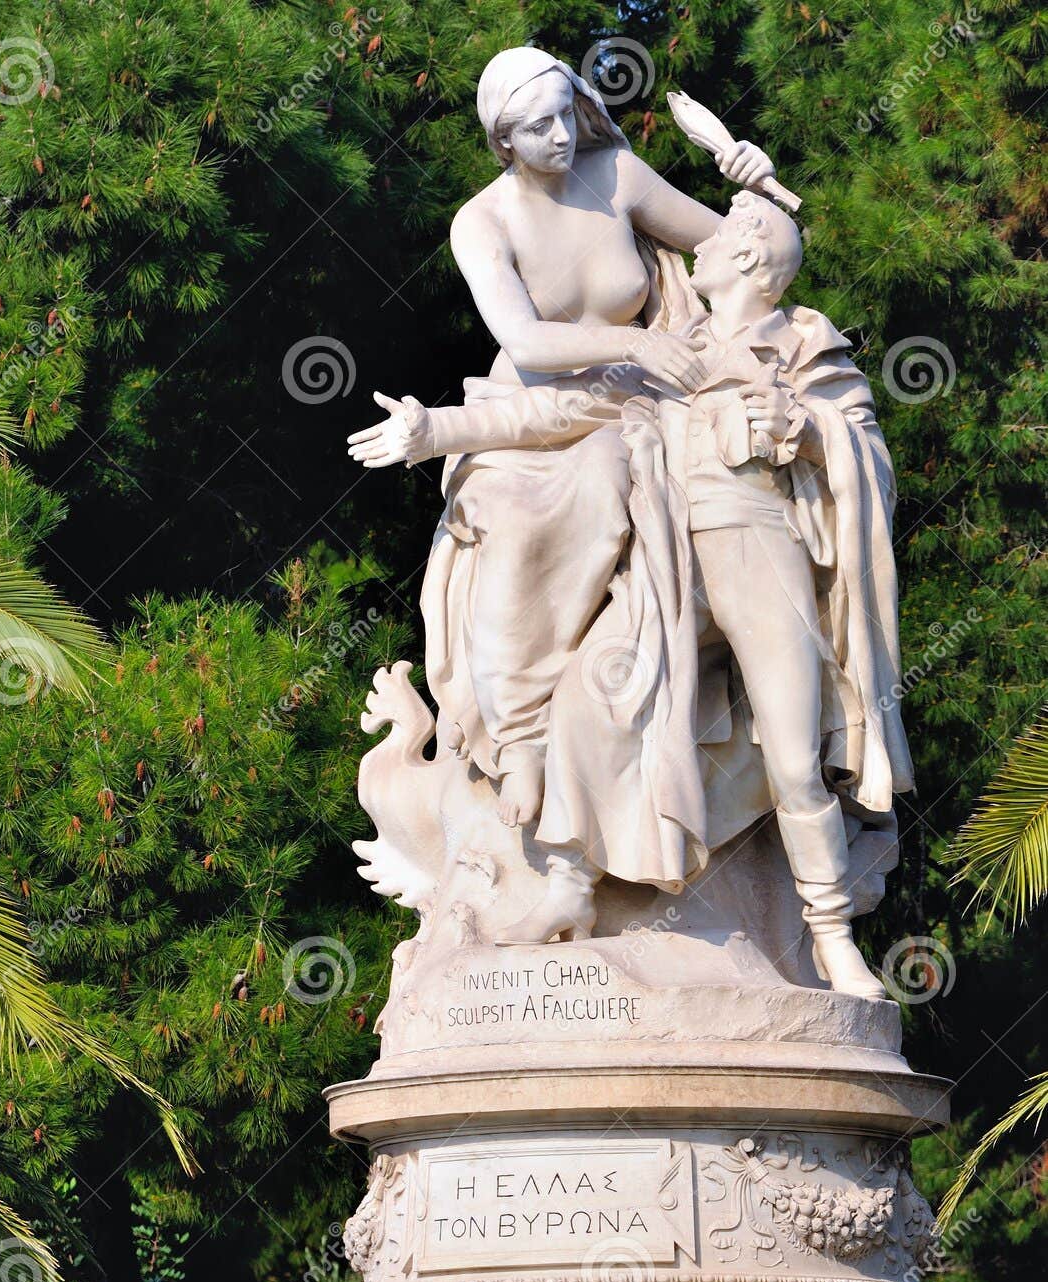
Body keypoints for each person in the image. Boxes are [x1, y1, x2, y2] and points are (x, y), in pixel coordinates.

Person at [353, 194, 914, 1000]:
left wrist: (804, 425)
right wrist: (435, 430)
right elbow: (558, 410)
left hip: (762, 561)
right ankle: (570, 886)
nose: (698, 247)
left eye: (721, 235)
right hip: (670, 572)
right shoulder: (668, 347)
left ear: (751, 257)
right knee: (588, 696)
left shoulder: (800, 342)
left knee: (794, 761)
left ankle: (831, 942)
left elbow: (864, 448)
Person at [349, 46, 774, 829]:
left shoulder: (616, 174)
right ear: (502, 141)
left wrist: (755, 194)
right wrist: (633, 343)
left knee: (615, 481)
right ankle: (517, 742)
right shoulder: (481, 221)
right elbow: (528, 341)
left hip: (627, 407)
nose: (558, 137)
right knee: (509, 516)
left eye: (562, 114)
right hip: (524, 418)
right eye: (534, 126)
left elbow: (734, 258)